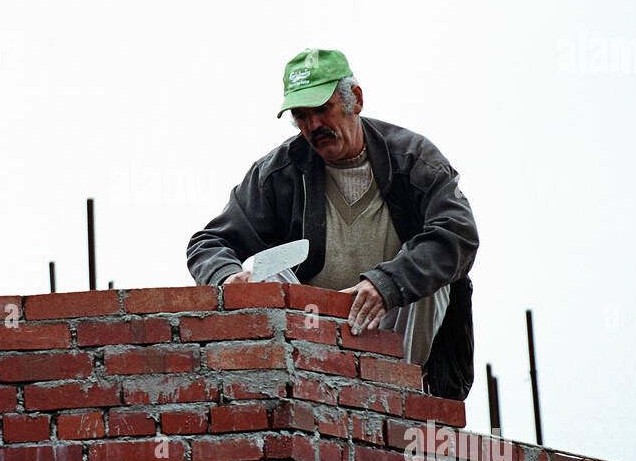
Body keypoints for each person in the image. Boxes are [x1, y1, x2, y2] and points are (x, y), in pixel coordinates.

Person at [186, 48, 478, 399]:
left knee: (432, 275)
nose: (313, 127)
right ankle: (293, 390)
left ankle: (398, 392)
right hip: (315, 344)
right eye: (301, 116)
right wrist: (227, 278)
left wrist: (387, 285)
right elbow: (210, 243)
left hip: (396, 336)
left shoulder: (413, 160)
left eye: (323, 109)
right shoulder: (280, 173)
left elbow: (458, 233)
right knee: (261, 274)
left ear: (355, 99)